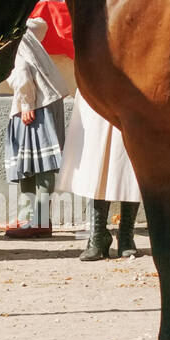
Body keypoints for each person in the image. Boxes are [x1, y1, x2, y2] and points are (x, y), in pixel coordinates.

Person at [0, 16, 69, 238]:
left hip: (35, 104)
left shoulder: (13, 38)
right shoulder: (29, 36)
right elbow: (41, 24)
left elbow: (21, 73)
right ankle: (29, 216)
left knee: (40, 162)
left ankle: (38, 220)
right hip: (43, 100)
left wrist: (27, 103)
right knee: (28, 162)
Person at [57, 90, 143, 260]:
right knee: (97, 161)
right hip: (97, 85)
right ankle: (97, 235)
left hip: (134, 87)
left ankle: (126, 235)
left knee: (129, 161)